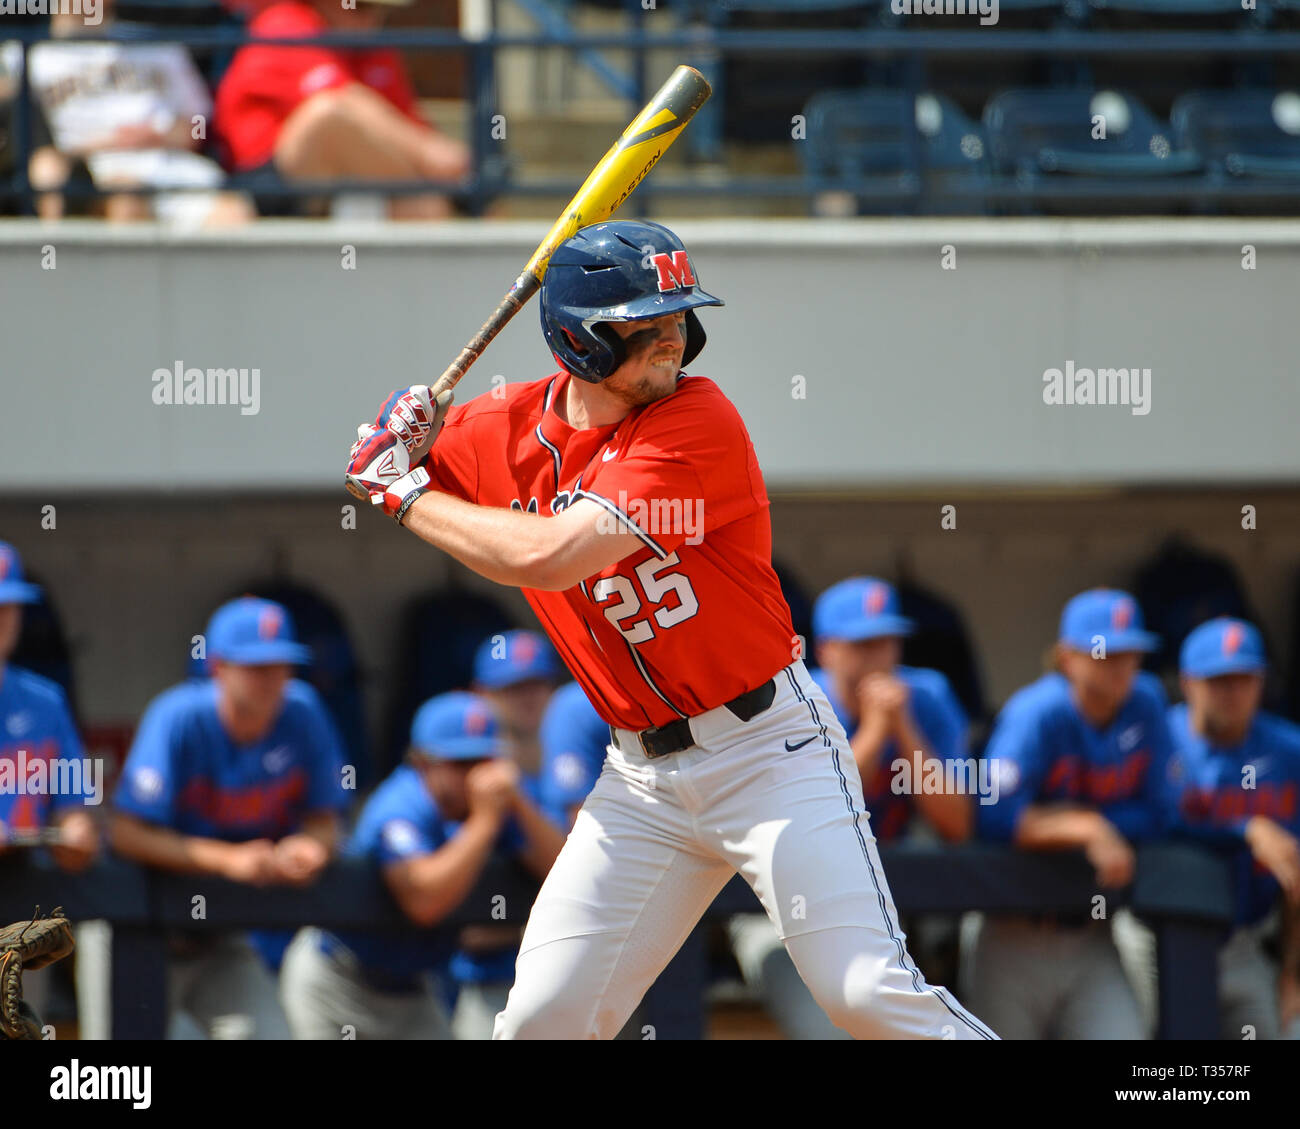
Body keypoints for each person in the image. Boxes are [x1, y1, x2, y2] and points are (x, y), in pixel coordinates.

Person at [343, 219, 996, 1040]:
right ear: (578, 342)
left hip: (769, 752)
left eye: (678, 321)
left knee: (863, 992)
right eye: (643, 328)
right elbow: (389, 462)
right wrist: (398, 438)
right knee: (542, 1020)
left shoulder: (697, 421)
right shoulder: (496, 429)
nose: (669, 344)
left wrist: (404, 493)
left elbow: (553, 554)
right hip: (640, 781)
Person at [722, 575, 976, 1039]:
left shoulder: (927, 697)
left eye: (888, 642)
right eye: (864, 645)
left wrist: (906, 730)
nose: (880, 658)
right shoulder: (789, 701)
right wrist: (877, 731)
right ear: (827, 651)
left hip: (878, 907)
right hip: (778, 907)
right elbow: (815, 809)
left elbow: (956, 824)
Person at [109, 596, 349, 1040]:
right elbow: (126, 833)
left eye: (281, 665)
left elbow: (325, 818)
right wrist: (227, 860)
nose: (272, 680)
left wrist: (313, 845)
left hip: (222, 935)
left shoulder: (303, 711)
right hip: (141, 930)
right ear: (218, 667)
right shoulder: (180, 715)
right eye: (256, 667)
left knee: (269, 1034)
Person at [279, 692, 564, 1039]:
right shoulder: (400, 804)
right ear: (423, 763)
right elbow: (424, 903)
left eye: (484, 760)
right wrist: (485, 824)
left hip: (411, 986)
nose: (476, 776)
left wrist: (518, 800)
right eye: (460, 763)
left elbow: (562, 872)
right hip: (339, 979)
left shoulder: (490, 803)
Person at [968, 588, 1172, 1040]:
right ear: (1067, 657)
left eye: (1130, 652)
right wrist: (1085, 827)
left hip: (1094, 937)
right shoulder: (1037, 713)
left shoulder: (1147, 703)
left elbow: (1164, 811)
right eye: (1105, 652)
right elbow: (992, 815)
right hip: (1012, 937)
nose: (1120, 665)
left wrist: (1076, 824)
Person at [1166, 617, 1300, 1040]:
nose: (1233, 693)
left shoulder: (1288, 749)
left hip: (1247, 941)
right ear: (1188, 683)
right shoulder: (1160, 737)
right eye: (1219, 680)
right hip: (1159, 939)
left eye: (1245, 679)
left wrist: (1291, 973)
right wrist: (1245, 829)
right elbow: (1152, 824)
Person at [214, 0, 470, 219]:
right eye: (359, 6)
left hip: (353, 184)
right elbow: (338, 103)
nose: (371, 19)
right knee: (328, 116)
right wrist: (432, 155)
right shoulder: (283, 23)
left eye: (378, 9)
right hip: (263, 183)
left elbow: (411, 126)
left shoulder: (375, 49)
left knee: (421, 197)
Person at [24, 0, 253, 226]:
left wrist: (162, 137)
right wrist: (109, 144)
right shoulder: (28, 55)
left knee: (234, 211)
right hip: (96, 170)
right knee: (126, 198)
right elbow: (37, 149)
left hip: (170, 164)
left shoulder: (157, 46)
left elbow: (199, 124)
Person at [448, 631, 567, 1037]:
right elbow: (465, 926)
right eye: (512, 687)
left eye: (536, 684)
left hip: (574, 976)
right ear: (481, 694)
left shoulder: (588, 758)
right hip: (487, 980)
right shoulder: (460, 768)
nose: (528, 697)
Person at [0, 542, 99, 869]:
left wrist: (76, 835)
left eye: (8, 606)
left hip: (24, 895)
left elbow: (72, 811)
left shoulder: (45, 700)